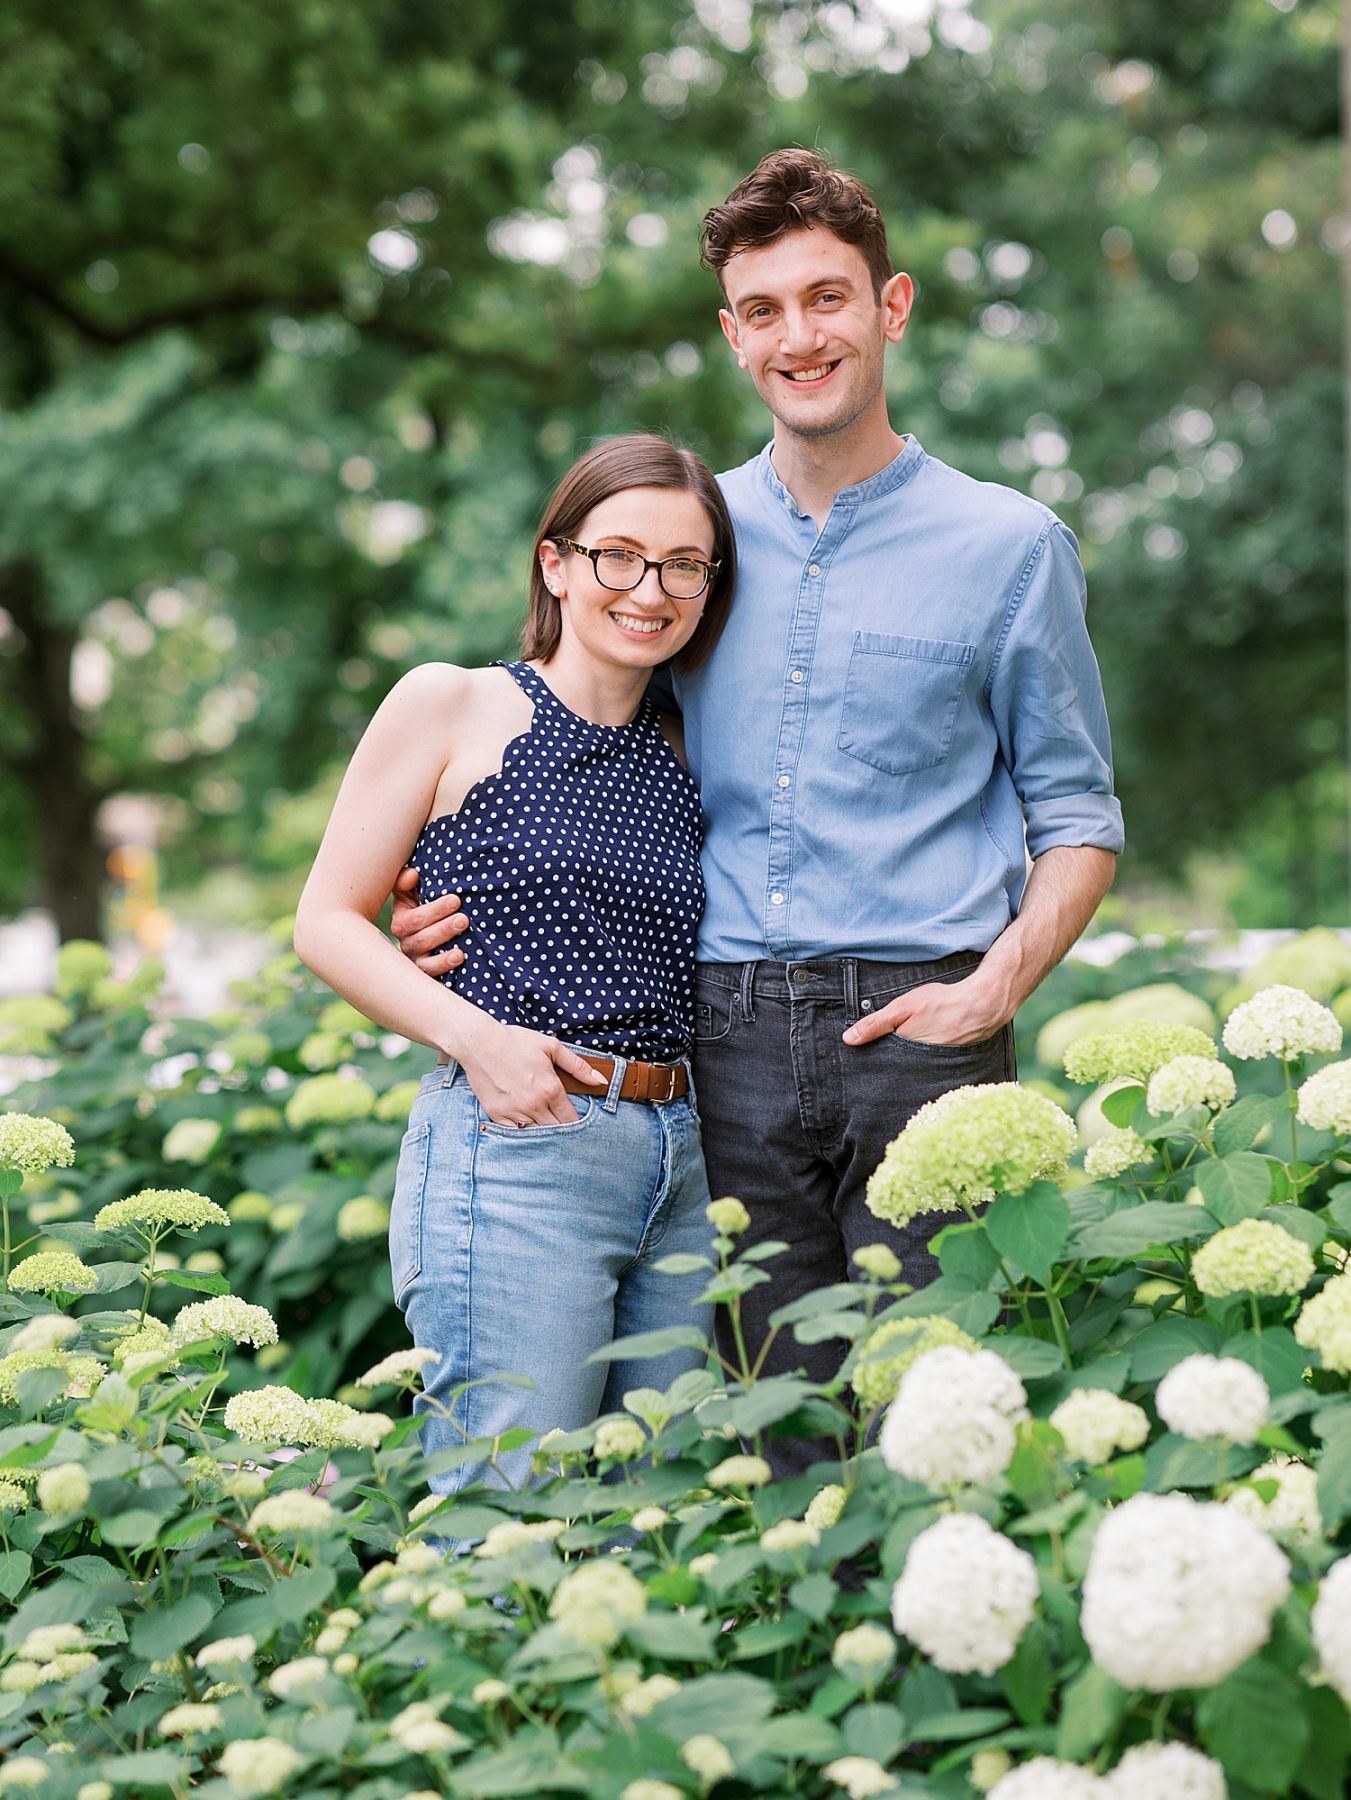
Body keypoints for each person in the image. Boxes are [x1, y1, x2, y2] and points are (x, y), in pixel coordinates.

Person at [392, 151, 1123, 1476]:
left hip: (922, 1034)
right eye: (763, 309)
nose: (800, 336)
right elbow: (581, 738)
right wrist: (452, 893)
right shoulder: (685, 543)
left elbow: (1076, 814)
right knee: (766, 1435)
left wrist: (993, 987)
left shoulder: (1010, 548)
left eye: (827, 297)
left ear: (890, 306)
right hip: (717, 1041)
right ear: (733, 335)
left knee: (934, 1424)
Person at [293, 433, 737, 1498]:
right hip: (522, 1146)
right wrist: (478, 1040)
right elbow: (327, 920)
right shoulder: (452, 704)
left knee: (655, 1518)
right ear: (556, 563)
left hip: (683, 1158)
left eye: (683, 565)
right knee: (507, 1510)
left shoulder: (688, 746)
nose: (649, 590)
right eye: (618, 555)